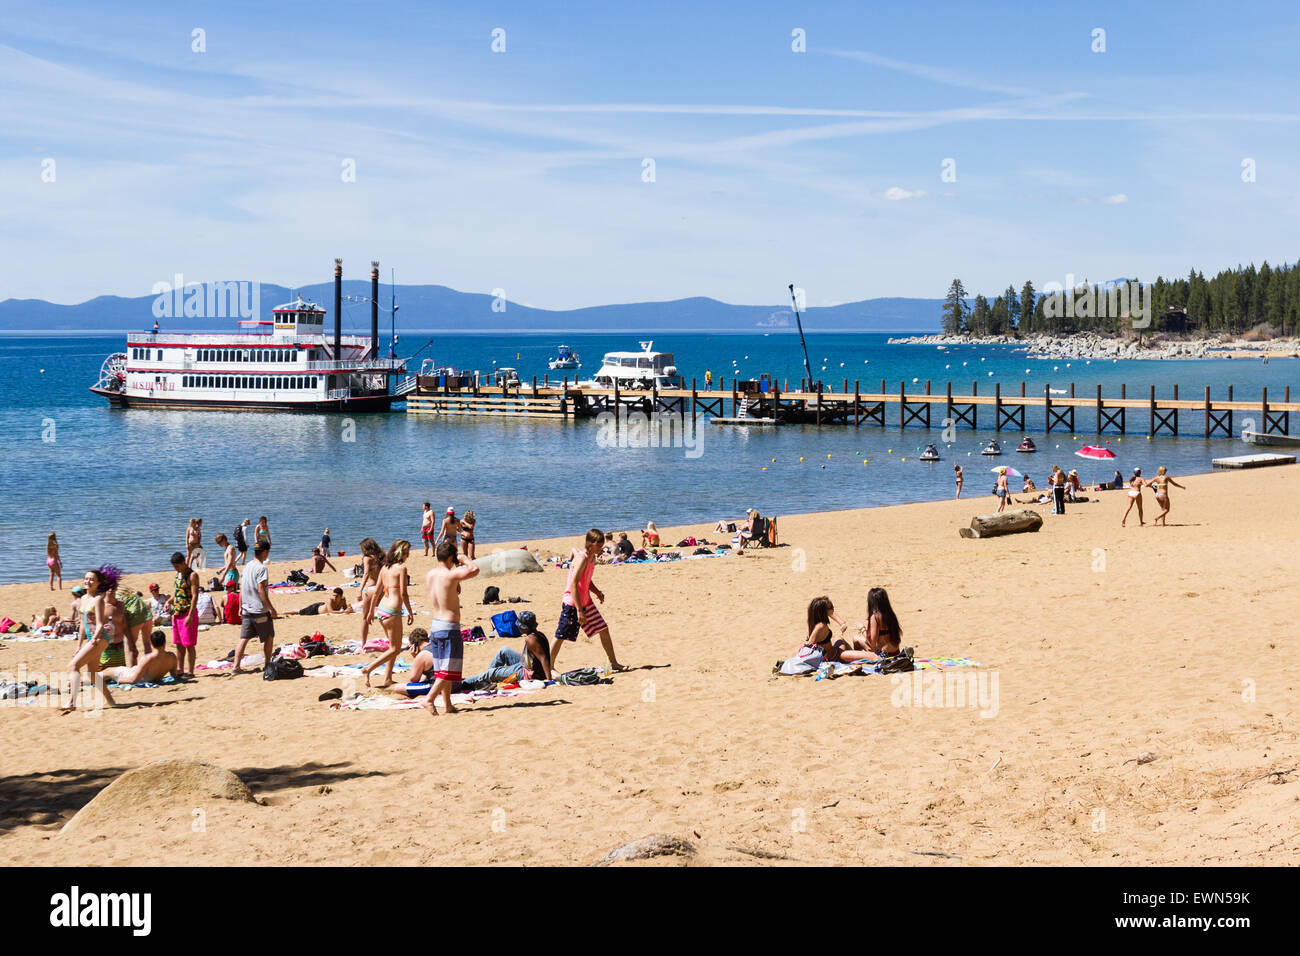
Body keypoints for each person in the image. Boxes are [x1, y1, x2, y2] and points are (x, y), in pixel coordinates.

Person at [551, 529, 626, 673]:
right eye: (599, 546)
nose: (601, 548)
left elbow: (586, 579)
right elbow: (573, 584)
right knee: (561, 635)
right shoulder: (582, 558)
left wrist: (597, 592)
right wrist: (579, 610)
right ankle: (549, 666)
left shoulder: (592, 558)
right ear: (590, 544)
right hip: (573, 603)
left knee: (603, 629)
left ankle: (614, 662)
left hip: (586, 601)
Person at [420, 538, 480, 714]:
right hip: (449, 627)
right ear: (451, 558)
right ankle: (429, 699)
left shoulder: (430, 575)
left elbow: (445, 590)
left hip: (436, 625)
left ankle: (448, 705)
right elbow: (475, 569)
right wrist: (463, 559)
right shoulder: (450, 575)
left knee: (441, 669)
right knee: (449, 669)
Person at [361, 540, 415, 688]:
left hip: (382, 609)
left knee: (392, 646)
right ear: (403, 553)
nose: (408, 556)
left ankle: (387, 678)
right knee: (395, 649)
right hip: (392, 611)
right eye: (407, 553)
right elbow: (404, 593)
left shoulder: (385, 567)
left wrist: (371, 611)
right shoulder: (401, 568)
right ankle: (368, 669)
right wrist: (410, 612)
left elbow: (377, 591)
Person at [63, 567, 118, 710]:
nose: (88, 581)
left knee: (73, 666)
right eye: (86, 578)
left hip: (99, 639)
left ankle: (71, 703)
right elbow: (82, 624)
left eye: (92, 579)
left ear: (98, 583)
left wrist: (93, 639)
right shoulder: (82, 598)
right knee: (93, 675)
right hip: (91, 639)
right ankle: (111, 701)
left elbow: (100, 623)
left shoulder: (98, 600)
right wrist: (79, 645)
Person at [458, 610, 553, 691]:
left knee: (490, 673)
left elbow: (543, 658)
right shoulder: (539, 634)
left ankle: (463, 684)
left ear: (524, 627)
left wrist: (549, 680)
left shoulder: (531, 639)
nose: (518, 627)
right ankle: (486, 681)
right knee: (504, 651)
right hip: (528, 665)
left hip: (528, 673)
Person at [233, 541, 277, 673]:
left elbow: (242, 587)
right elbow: (261, 589)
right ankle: (267, 664)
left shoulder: (247, 566)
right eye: (267, 552)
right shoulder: (261, 568)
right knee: (269, 636)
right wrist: (271, 608)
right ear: (264, 552)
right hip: (259, 610)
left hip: (246, 609)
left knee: (244, 639)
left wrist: (240, 606)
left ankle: (235, 667)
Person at [796, 596, 874, 663]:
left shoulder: (811, 620)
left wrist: (841, 623)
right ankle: (853, 657)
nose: (833, 608)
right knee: (872, 656)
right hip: (833, 657)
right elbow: (810, 644)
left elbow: (831, 613)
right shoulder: (821, 626)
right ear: (824, 611)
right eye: (831, 607)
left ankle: (853, 655)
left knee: (839, 638)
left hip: (831, 653)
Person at [102, 630, 179, 686]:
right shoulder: (172, 657)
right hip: (154, 679)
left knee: (107, 671)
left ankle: (91, 679)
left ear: (151, 643)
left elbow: (134, 679)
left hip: (129, 675)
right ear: (165, 642)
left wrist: (121, 680)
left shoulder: (148, 658)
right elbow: (174, 675)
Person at [170, 551, 201, 676]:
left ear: (183, 563)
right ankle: (180, 669)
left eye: (177, 566)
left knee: (189, 644)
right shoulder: (178, 575)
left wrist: (190, 615)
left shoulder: (192, 575)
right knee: (178, 644)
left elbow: (195, 596)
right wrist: (169, 601)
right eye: (174, 567)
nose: (176, 569)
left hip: (187, 613)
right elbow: (178, 592)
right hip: (177, 613)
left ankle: (191, 671)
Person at [857, 587, 903, 658]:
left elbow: (872, 643)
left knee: (856, 639)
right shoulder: (890, 614)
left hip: (884, 656)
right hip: (896, 653)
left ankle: (856, 663)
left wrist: (862, 629)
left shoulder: (875, 616)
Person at [357, 537, 385, 646]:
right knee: (384, 616)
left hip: (372, 588)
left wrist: (359, 590)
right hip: (381, 588)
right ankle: (391, 639)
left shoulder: (367, 558)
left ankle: (363, 644)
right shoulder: (380, 557)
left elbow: (366, 574)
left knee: (365, 618)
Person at [118, 586, 153, 667]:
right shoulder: (123, 589)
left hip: (135, 615)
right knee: (147, 644)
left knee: (130, 646)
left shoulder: (110, 595)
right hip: (146, 612)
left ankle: (133, 670)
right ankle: (149, 669)